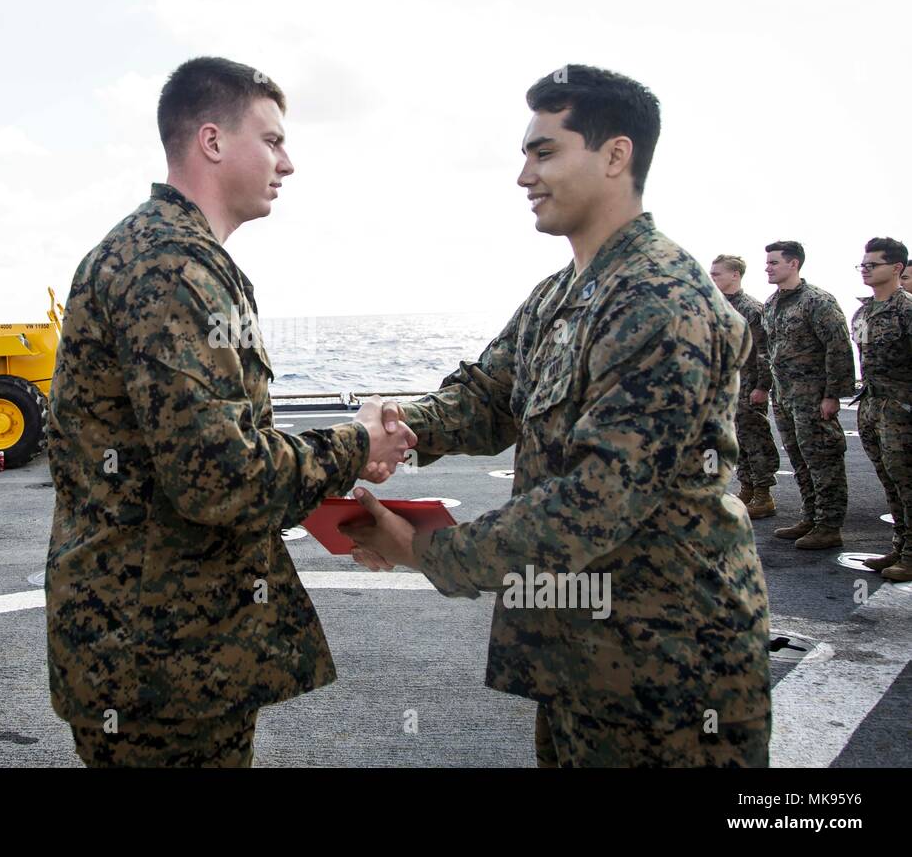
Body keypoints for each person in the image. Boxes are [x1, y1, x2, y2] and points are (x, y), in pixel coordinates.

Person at [343, 65, 771, 767]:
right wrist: (395, 424)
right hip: (579, 660)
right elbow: (483, 397)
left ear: (614, 155)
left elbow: (593, 505)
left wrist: (421, 550)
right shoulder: (562, 294)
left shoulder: (662, 301)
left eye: (543, 152)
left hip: (667, 668)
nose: (523, 175)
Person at [45, 57, 415, 767]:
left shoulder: (168, 252)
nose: (289, 162)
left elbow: (204, 450)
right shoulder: (171, 266)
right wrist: (351, 443)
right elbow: (218, 475)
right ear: (212, 142)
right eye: (272, 141)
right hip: (161, 662)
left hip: (158, 646)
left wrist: (336, 478)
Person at [761, 241, 855, 549]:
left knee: (823, 459)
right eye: (768, 262)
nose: (768, 267)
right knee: (800, 459)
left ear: (794, 264)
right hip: (785, 397)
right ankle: (810, 516)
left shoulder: (817, 301)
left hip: (813, 397)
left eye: (774, 262)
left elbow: (839, 347)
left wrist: (832, 395)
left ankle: (829, 525)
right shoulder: (772, 303)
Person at [851, 237, 912, 582]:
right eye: (863, 264)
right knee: (889, 482)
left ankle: (911, 555)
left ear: (897, 268)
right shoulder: (863, 312)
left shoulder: (907, 309)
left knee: (907, 483)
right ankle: (899, 546)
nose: (866, 269)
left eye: (873, 264)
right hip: (872, 405)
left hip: (901, 408)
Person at [709, 254, 779, 518]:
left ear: (735, 275)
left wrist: (762, 386)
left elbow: (764, 351)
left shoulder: (751, 309)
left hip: (748, 385)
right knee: (737, 440)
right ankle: (747, 488)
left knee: (755, 439)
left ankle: (764, 493)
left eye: (717, 273)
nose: (712, 278)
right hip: (725, 387)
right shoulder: (717, 306)